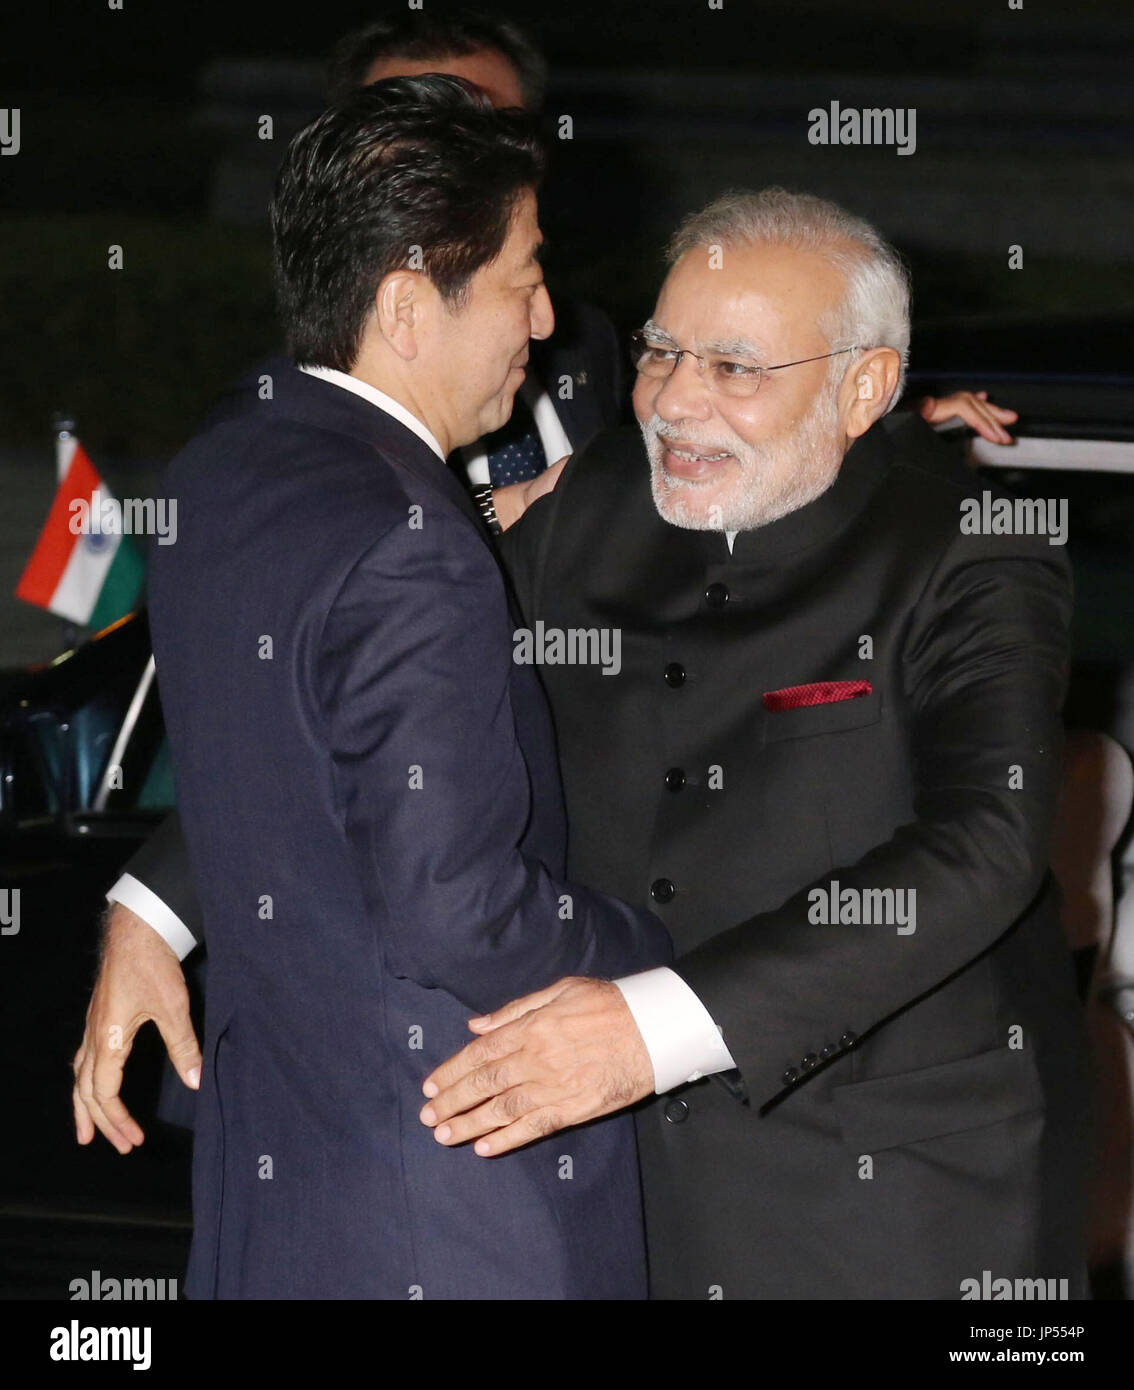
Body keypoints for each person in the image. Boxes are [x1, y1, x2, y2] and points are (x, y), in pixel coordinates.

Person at [417, 189, 1092, 1299]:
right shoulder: (590, 501)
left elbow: (985, 845)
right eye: (661, 353)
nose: (675, 403)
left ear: (864, 387)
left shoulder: (970, 554)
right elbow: (396, 688)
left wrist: (653, 1027)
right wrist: (159, 909)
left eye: (734, 369)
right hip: (624, 1184)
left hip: (910, 1200)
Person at [118, 75, 672, 1300]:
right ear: (410, 305)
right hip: (456, 1218)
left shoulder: (222, 468)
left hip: (279, 1209)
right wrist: (658, 946)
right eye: (526, 279)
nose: (543, 323)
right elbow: (455, 911)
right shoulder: (411, 538)